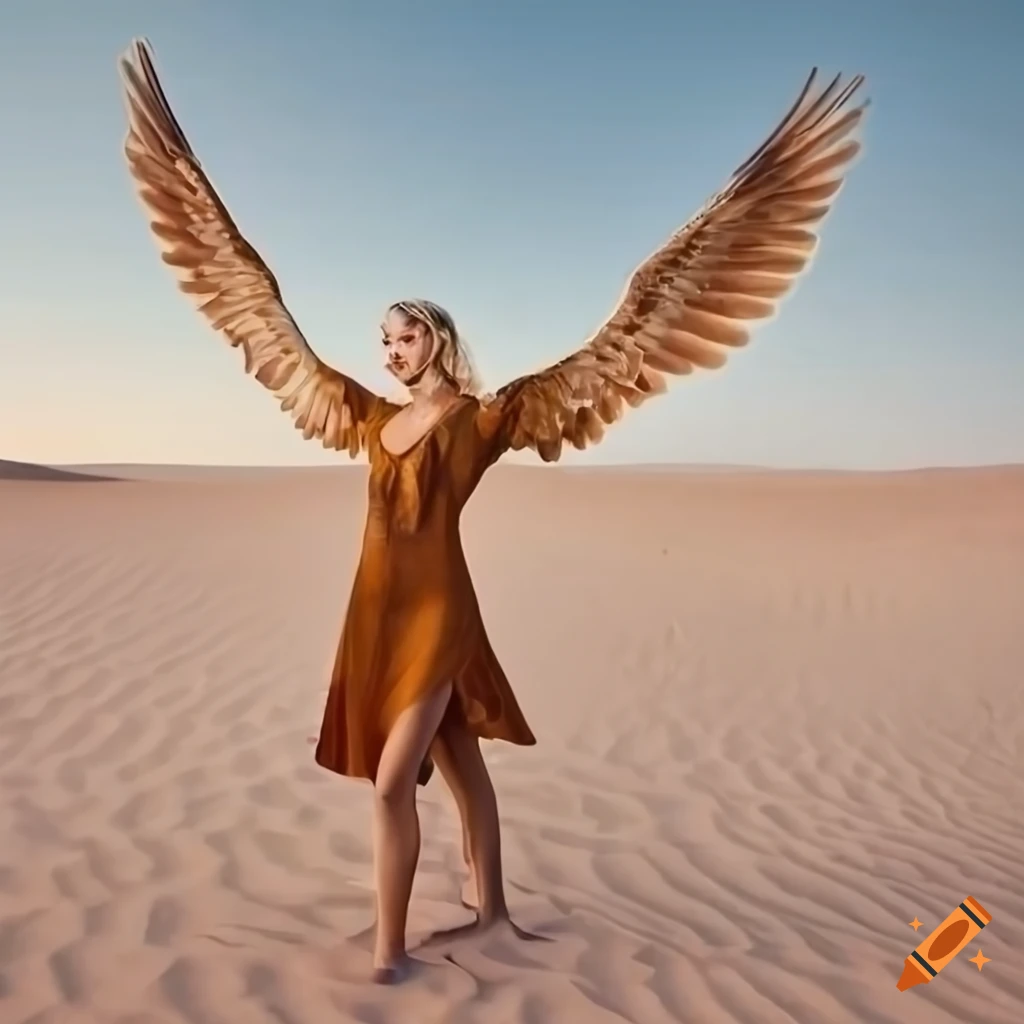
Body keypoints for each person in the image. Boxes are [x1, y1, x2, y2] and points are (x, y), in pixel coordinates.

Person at [117, 38, 867, 983]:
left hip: (437, 613)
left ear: (437, 336)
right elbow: (247, 296)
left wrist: (745, 203)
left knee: (395, 784)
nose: (389, 351)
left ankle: (389, 950)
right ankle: (496, 913)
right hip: (374, 615)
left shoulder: (488, 418)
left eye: (404, 335)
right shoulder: (359, 415)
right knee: (463, 768)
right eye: (382, 340)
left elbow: (634, 331)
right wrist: (188, 181)